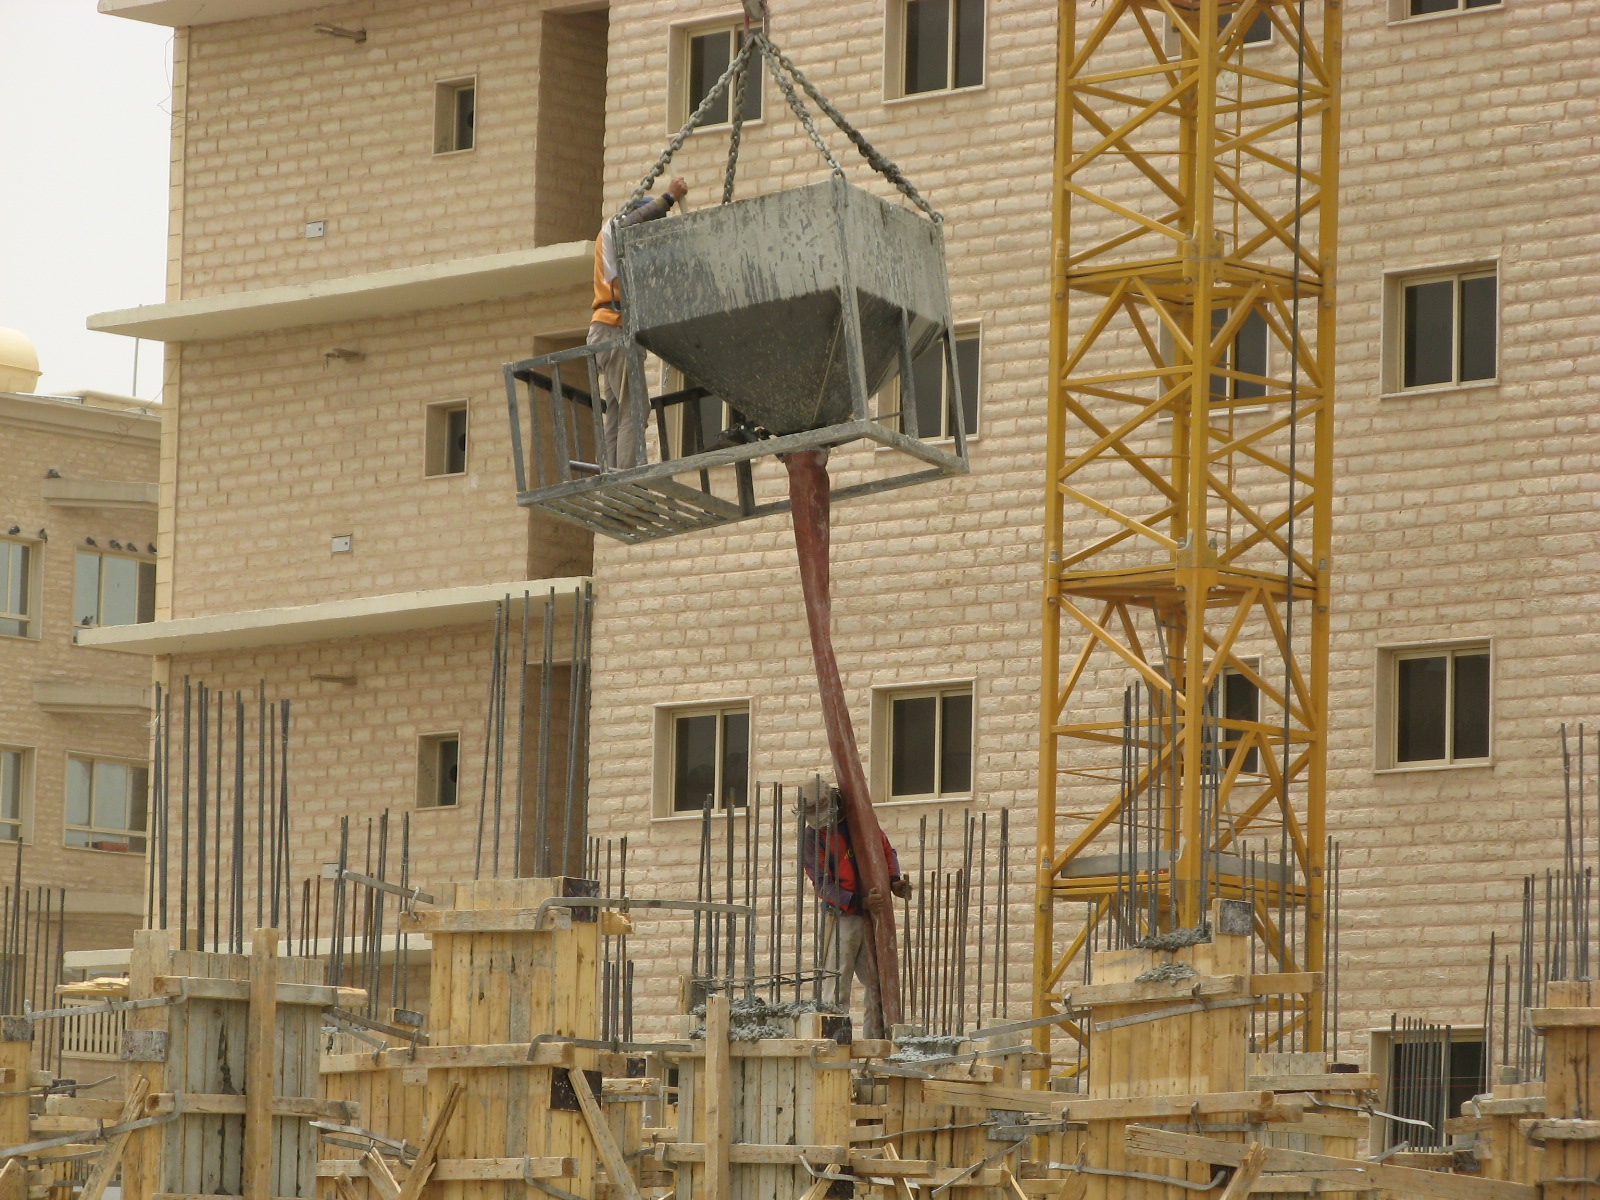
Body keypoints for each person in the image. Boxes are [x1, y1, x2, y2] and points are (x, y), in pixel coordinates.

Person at [798, 777, 912, 1037]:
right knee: (836, 988)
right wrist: (857, 901)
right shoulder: (811, 839)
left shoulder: (857, 820)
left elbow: (883, 849)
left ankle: (876, 1046)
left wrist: (894, 881)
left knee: (878, 986)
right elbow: (823, 887)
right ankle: (834, 1047)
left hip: (870, 912)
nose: (822, 823)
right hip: (842, 916)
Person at [589, 177, 689, 469]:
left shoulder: (611, 241)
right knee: (634, 410)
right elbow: (634, 223)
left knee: (619, 411)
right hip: (614, 328)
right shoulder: (615, 228)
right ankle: (625, 477)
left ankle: (611, 475)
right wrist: (668, 199)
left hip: (606, 332)